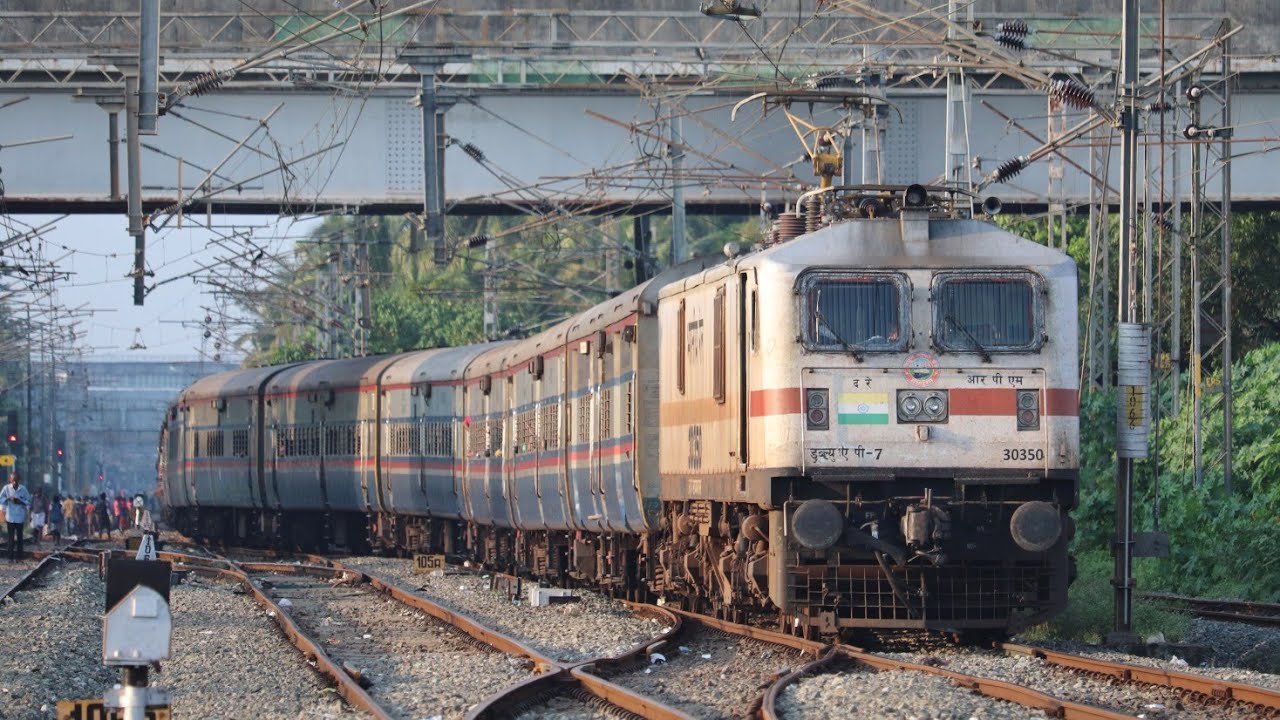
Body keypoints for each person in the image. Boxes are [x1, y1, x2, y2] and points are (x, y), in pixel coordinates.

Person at [1, 472, 31, 562]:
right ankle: (10, 557)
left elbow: (29, 501)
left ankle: (19, 557)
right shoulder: (6, 488)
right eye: (13, 480)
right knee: (10, 538)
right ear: (10, 480)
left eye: (16, 480)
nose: (14, 482)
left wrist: (21, 501)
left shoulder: (23, 489)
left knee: (20, 538)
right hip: (10, 517)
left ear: (19, 480)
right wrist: (7, 499)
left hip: (20, 517)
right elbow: (0, 499)